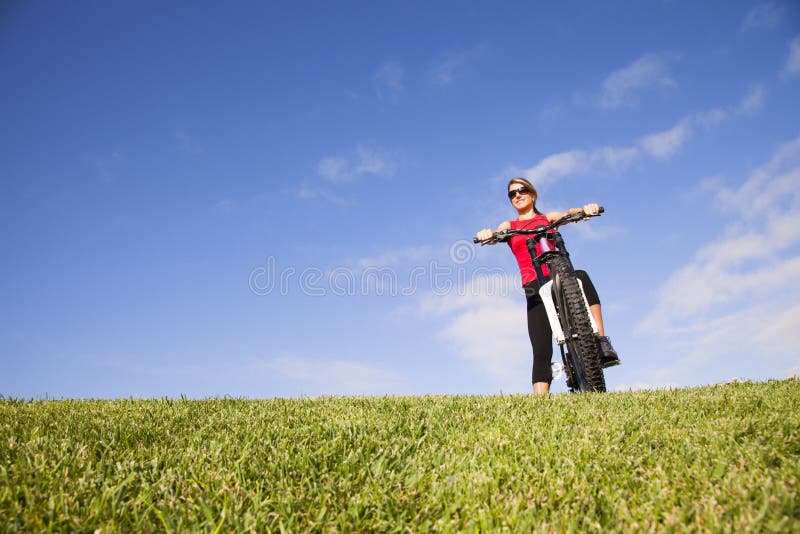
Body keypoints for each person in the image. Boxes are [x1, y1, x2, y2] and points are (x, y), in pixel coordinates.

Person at [475, 177, 620, 395]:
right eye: (512, 193)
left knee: (581, 276)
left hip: (561, 277)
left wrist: (584, 210)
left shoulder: (547, 218)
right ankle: (540, 406)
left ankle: (601, 341)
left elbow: (567, 214)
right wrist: (487, 234)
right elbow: (496, 234)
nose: (517, 195)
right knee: (541, 349)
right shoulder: (510, 226)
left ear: (532, 194)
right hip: (534, 288)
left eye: (522, 190)